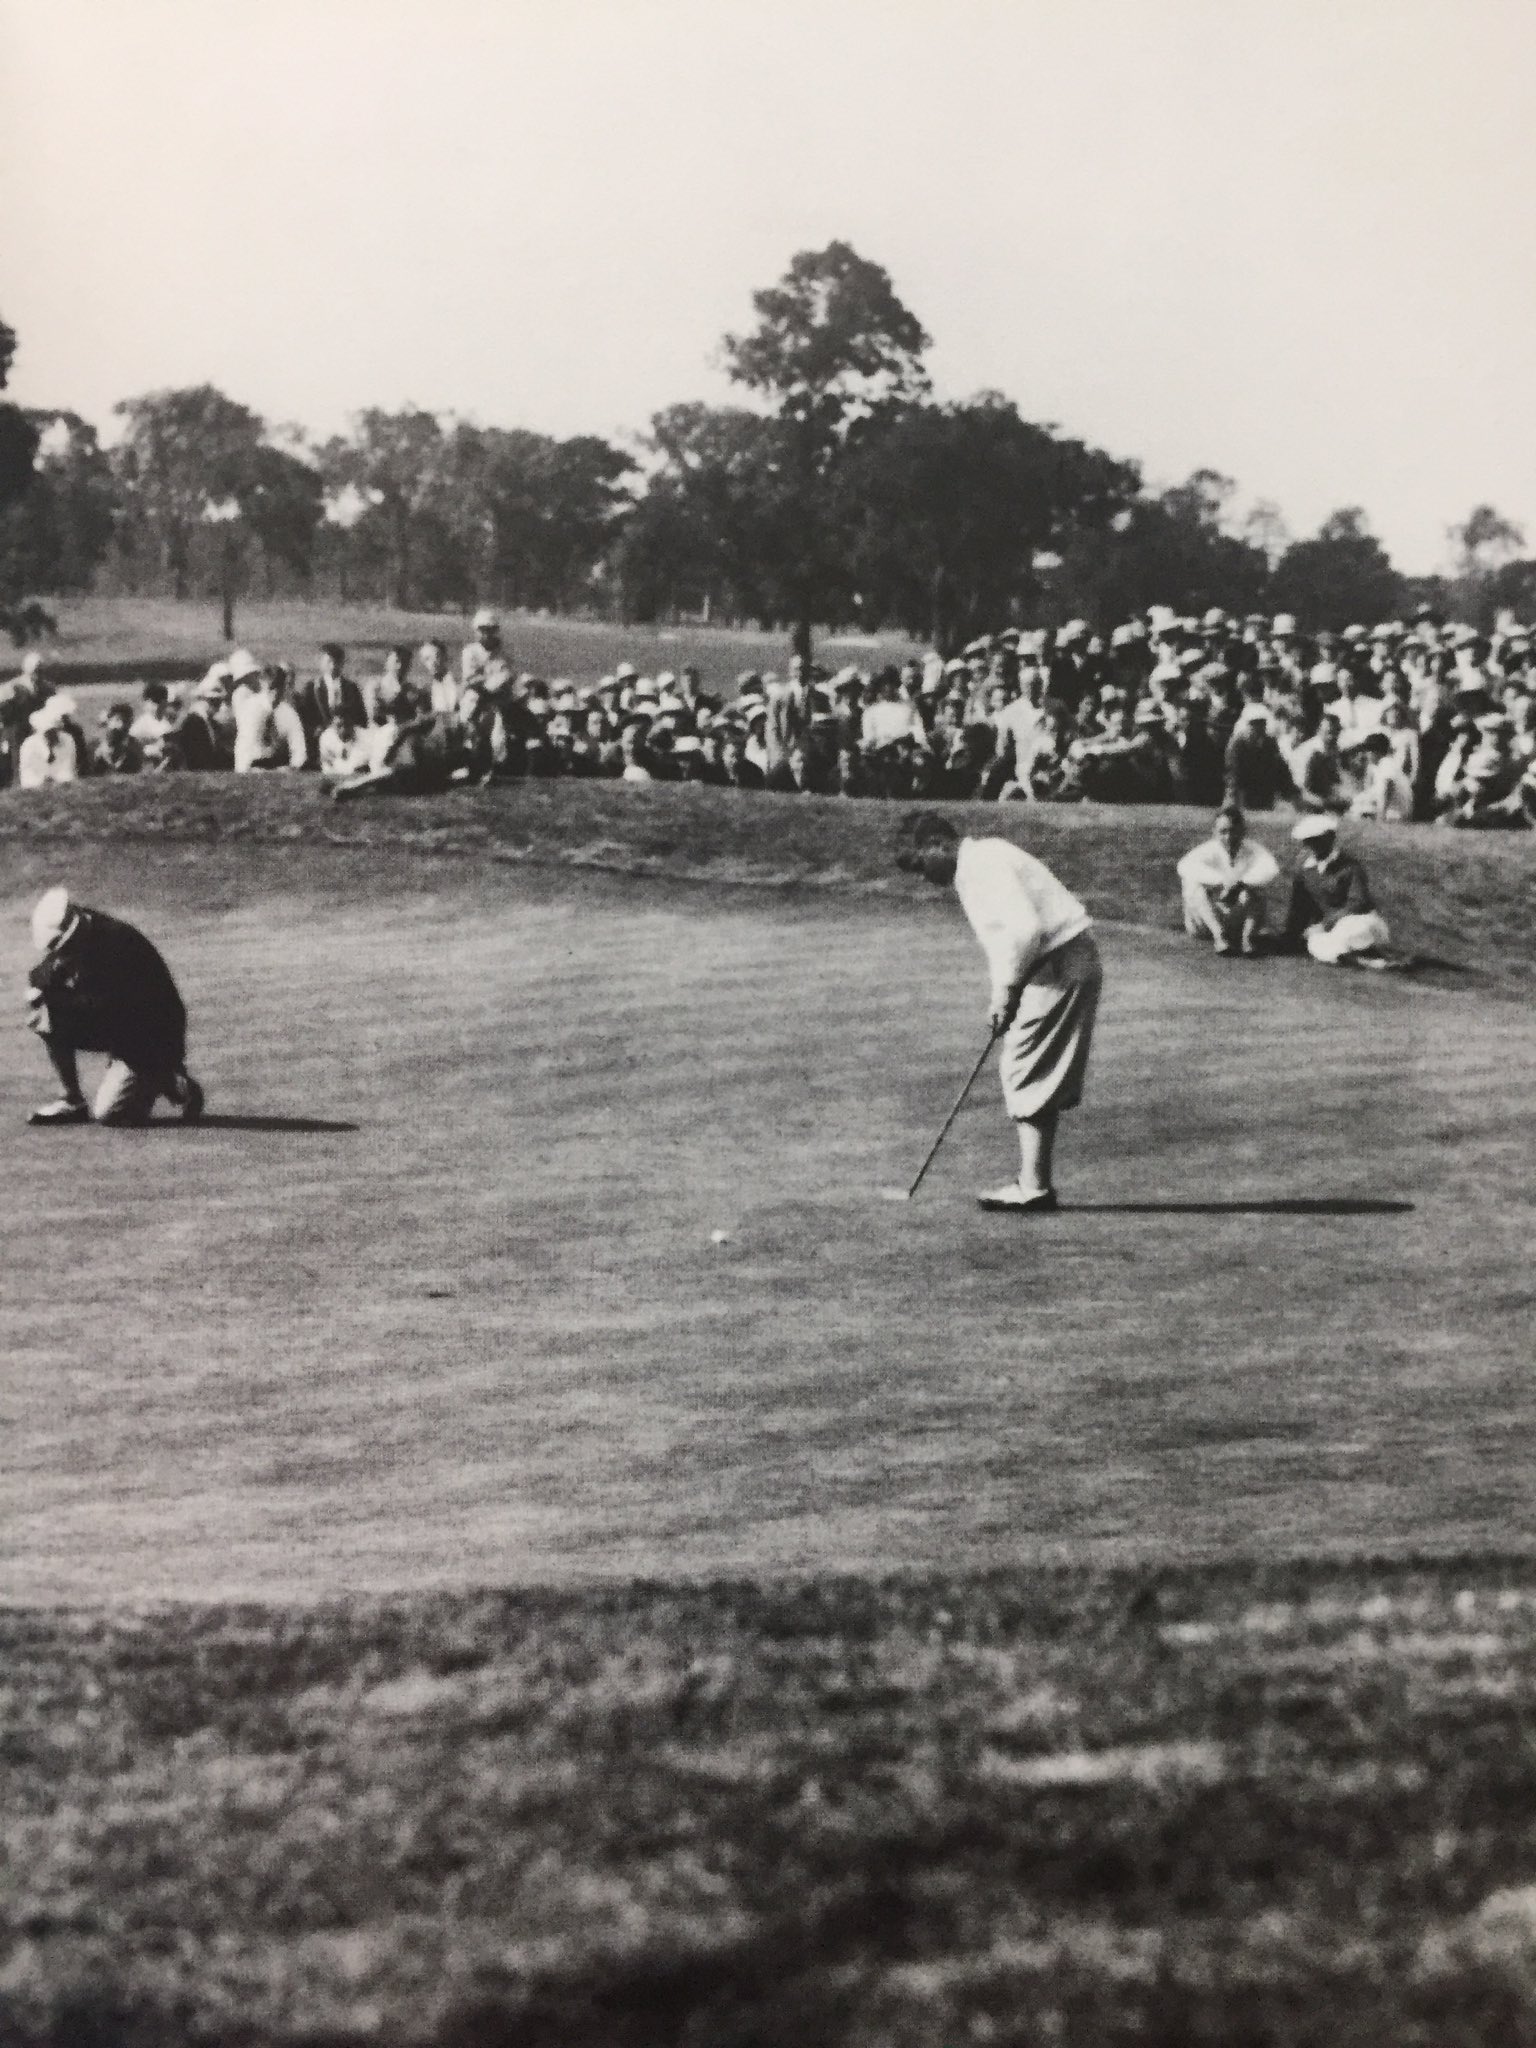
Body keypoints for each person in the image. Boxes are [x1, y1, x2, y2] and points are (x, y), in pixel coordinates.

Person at [896, 811, 1101, 1213]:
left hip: (1060, 965)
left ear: (937, 844)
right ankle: (1034, 1182)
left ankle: (1034, 1187)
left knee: (1024, 1067)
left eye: (922, 864)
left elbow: (1025, 931)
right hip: (1058, 966)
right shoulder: (982, 859)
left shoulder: (981, 866)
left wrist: (1008, 992)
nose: (925, 876)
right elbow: (1004, 941)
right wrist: (1002, 996)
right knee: (1027, 1067)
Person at [24, 887, 204, 1127]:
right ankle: (72, 1100)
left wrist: (55, 998)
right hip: (121, 1029)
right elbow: (43, 972)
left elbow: (104, 1008)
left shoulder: (117, 946)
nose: (59, 953)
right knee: (45, 1014)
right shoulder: (82, 935)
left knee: (110, 1114)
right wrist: (42, 990)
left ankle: (170, 1079)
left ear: (73, 933)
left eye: (61, 946)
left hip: (153, 1037)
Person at [1283, 817, 1394, 968]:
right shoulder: (1304, 867)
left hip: (1360, 921)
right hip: (1330, 928)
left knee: (1346, 932)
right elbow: (1299, 905)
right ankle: (1364, 961)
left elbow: (1358, 903)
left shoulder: (1350, 866)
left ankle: (1366, 953)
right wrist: (1291, 936)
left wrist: (1325, 924)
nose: (1312, 845)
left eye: (1317, 839)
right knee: (1315, 943)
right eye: (1308, 841)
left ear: (1330, 838)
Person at [1177, 804, 1280, 955]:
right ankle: (1219, 936)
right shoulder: (1207, 850)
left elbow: (1271, 868)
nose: (1229, 837)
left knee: (1256, 890)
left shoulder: (1254, 850)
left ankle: (1247, 939)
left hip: (1238, 920)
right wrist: (1222, 882)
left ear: (1243, 831)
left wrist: (1241, 884)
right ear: (1214, 833)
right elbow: (1184, 866)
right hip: (1206, 922)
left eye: (1233, 831)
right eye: (1223, 832)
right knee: (1191, 885)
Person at [17, 695, 83, 787]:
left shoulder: (67, 740)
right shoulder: (29, 745)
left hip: (61, 782)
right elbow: (28, 771)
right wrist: (41, 780)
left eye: (54, 731)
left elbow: (67, 766)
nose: (52, 735)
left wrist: (59, 780)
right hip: (35, 783)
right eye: (47, 732)